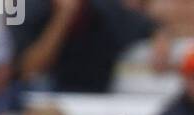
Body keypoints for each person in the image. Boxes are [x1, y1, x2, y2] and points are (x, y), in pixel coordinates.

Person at [12, 0, 169, 94]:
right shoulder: (30, 8)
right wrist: (63, 17)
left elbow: (150, 26)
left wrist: (160, 37)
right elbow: (29, 69)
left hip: (96, 97)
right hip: (46, 98)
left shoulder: (103, 9)